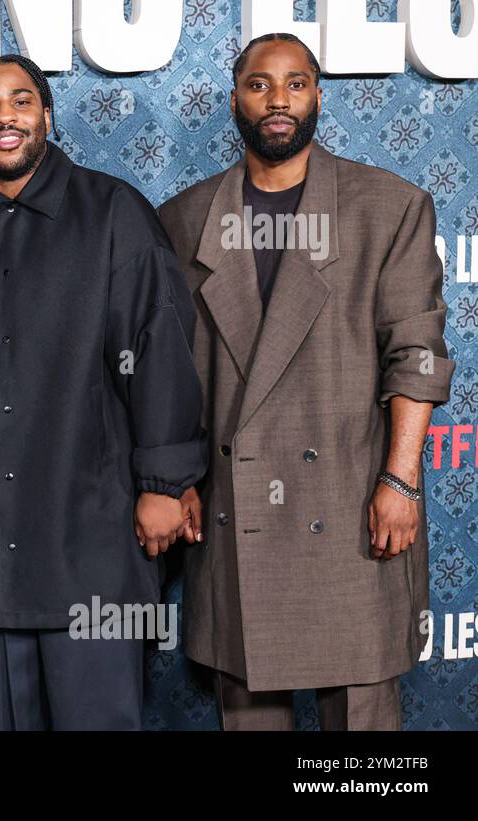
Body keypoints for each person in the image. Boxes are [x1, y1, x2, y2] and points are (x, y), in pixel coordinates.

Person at [158, 34, 454, 730]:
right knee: (251, 713)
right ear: (235, 100)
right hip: (238, 512)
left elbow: (415, 352)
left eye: (295, 84)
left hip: (352, 508)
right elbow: (171, 370)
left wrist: (402, 481)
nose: (278, 100)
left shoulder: (388, 207)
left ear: (318, 95)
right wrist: (177, 478)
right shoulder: (185, 219)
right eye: (260, 85)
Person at [0, 54, 207, 730]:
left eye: (20, 101)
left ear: (46, 114)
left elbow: (159, 346)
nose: (4, 116)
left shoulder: (113, 214)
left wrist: (164, 480)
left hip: (91, 551)